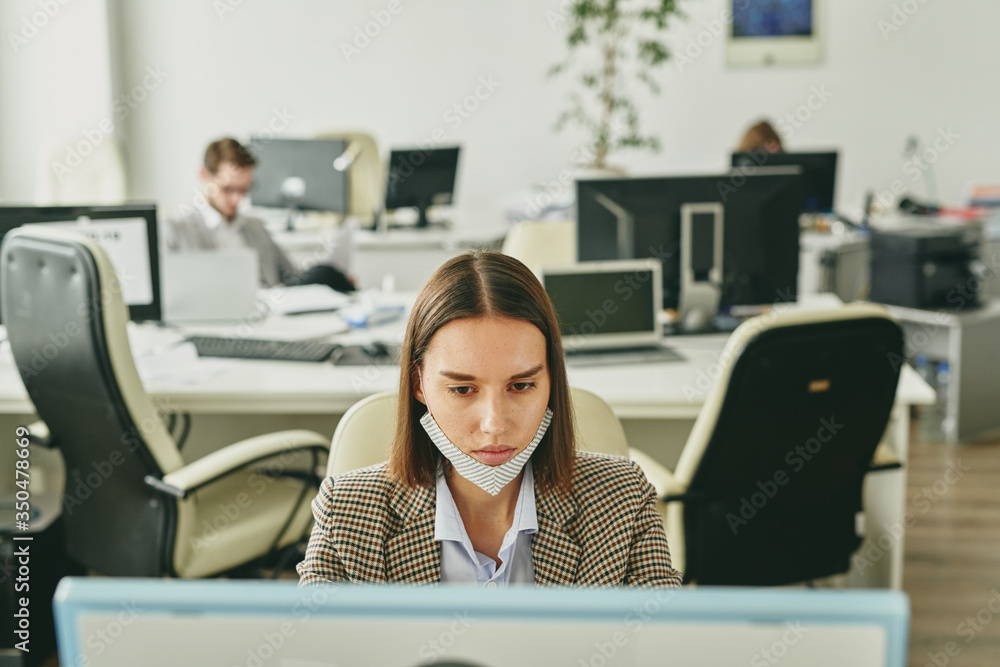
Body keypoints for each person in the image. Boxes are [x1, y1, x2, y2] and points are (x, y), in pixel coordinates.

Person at [297, 252, 683, 588]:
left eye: (521, 385)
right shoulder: (345, 514)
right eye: (463, 390)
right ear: (418, 384)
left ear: (551, 381)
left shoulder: (622, 502)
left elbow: (666, 648)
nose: (495, 424)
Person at [163, 137, 354, 292]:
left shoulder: (255, 227)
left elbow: (292, 278)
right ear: (205, 175)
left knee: (325, 275)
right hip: (219, 328)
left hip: (272, 322)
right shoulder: (177, 231)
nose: (237, 199)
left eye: (244, 189)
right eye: (228, 189)